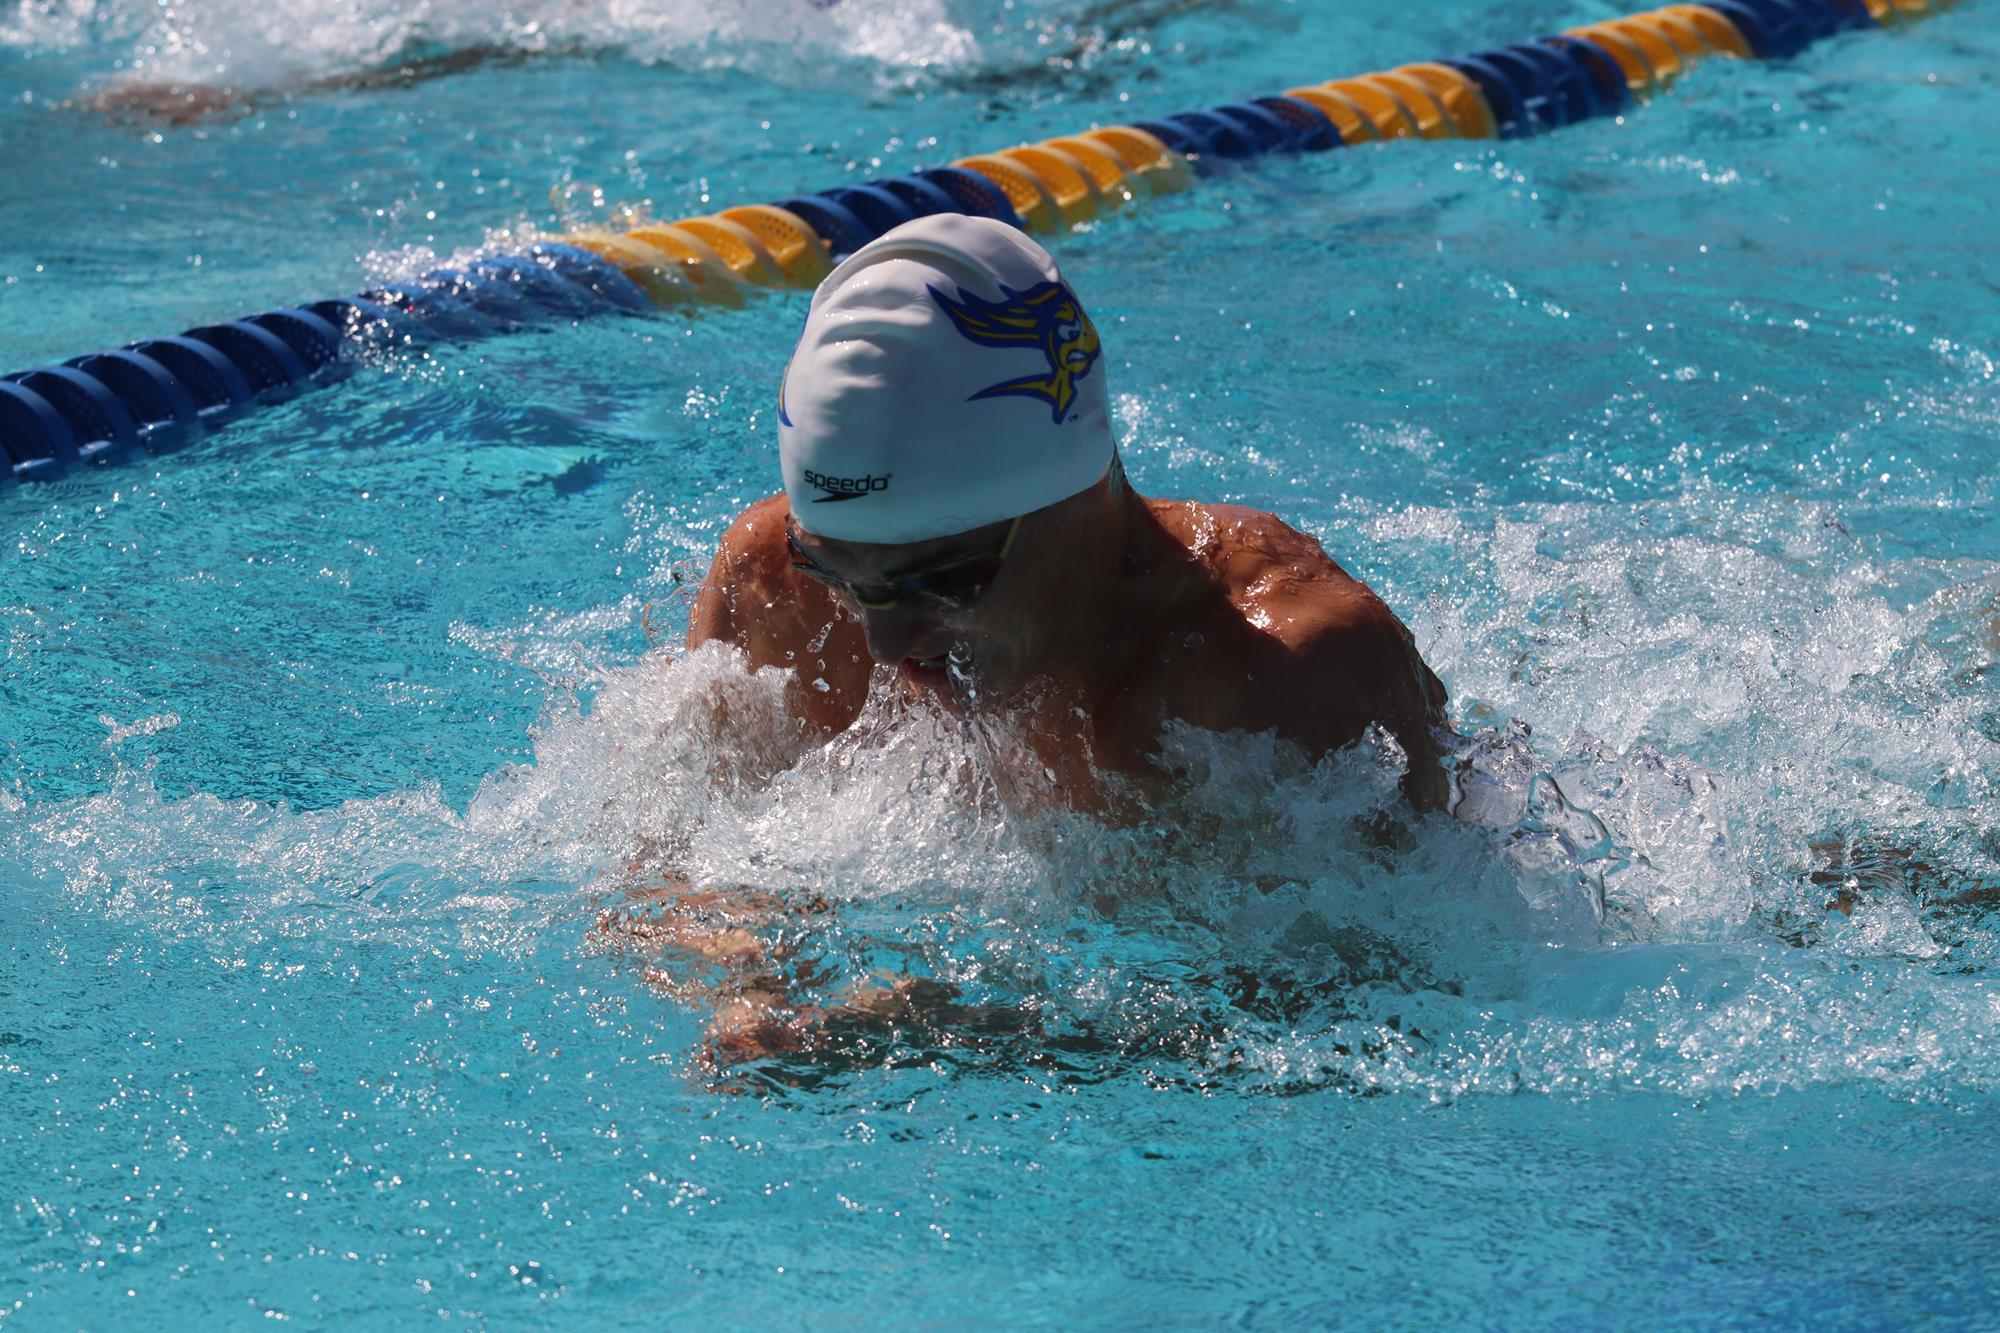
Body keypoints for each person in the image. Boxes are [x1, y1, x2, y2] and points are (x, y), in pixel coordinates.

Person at [605, 212, 1452, 1068]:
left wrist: (957, 1031)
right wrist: (750, 985)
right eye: (838, 571)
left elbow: (1377, 998)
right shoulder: (775, 587)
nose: (886, 640)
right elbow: (663, 875)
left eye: (942, 577)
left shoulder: (1279, 673)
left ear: (1075, 496)